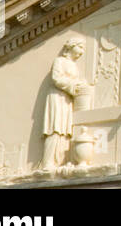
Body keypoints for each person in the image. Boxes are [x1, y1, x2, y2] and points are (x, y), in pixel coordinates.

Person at [38, 38, 89, 170]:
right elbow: (56, 78)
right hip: (57, 97)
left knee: (64, 130)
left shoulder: (74, 65)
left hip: (67, 99)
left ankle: (59, 160)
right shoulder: (59, 61)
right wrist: (73, 85)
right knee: (55, 127)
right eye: (80, 47)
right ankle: (48, 161)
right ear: (71, 46)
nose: (82, 52)